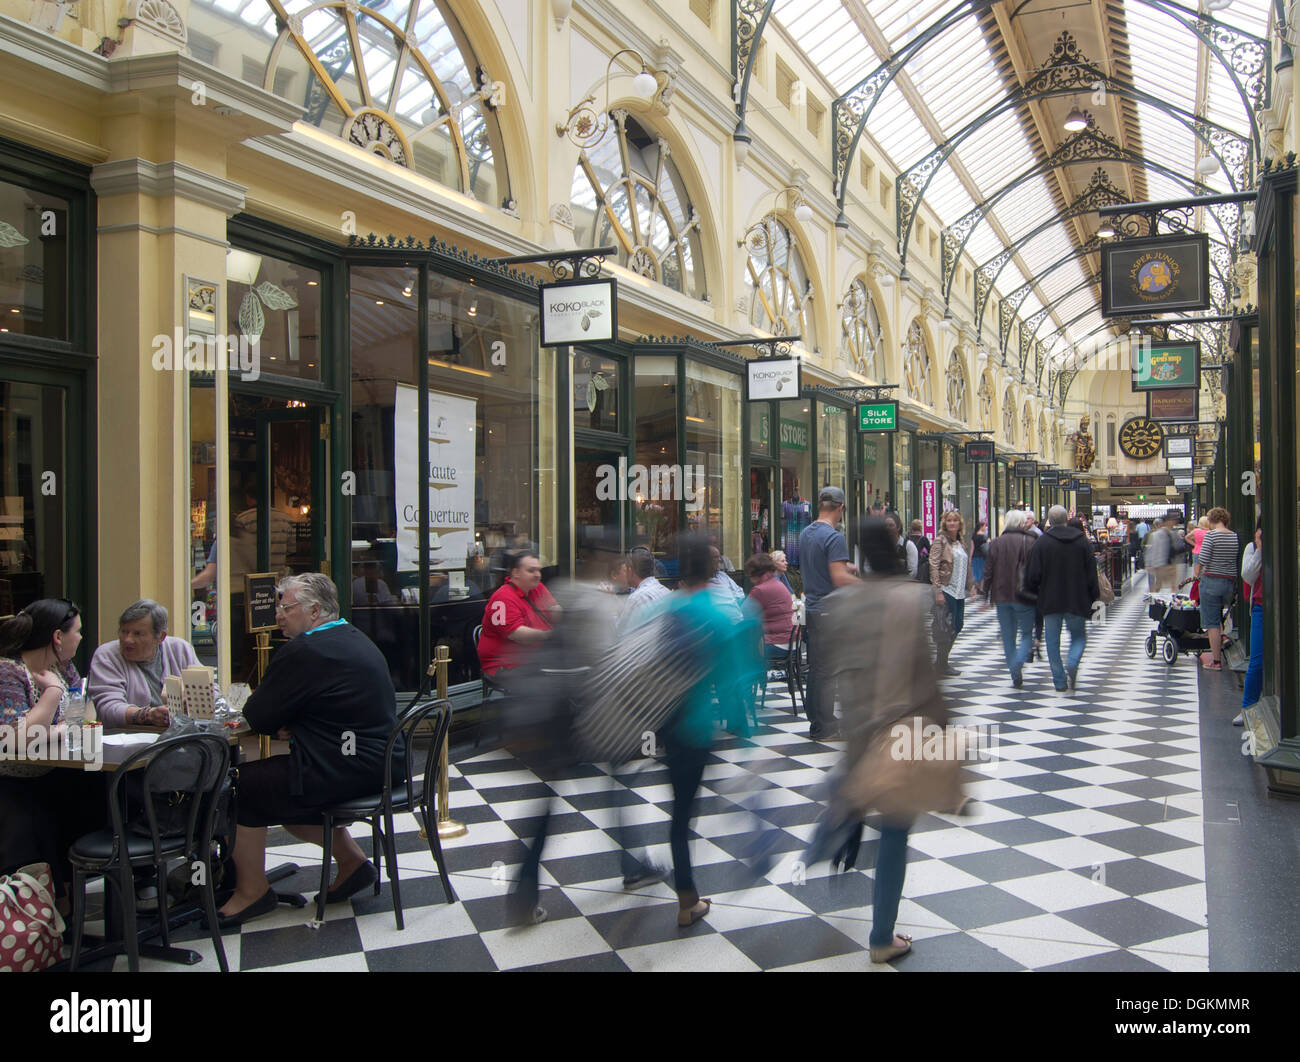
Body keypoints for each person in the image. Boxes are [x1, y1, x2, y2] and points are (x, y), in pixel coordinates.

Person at [216, 573, 403, 926]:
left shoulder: (305, 650)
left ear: (314, 610)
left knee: (240, 786)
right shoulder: (352, 637)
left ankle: (252, 891)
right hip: (380, 762)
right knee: (281, 788)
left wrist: (284, 720)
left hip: (344, 767)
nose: (278, 615)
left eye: (285, 607)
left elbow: (258, 715)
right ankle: (352, 864)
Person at [818, 516, 955, 964]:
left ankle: (843, 822)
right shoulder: (910, 598)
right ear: (896, 544)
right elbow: (925, 670)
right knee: (896, 830)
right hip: (902, 731)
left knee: (855, 794)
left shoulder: (842, 603)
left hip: (858, 728)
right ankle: (881, 936)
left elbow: (831, 669)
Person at [660, 534, 760, 926]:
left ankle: (687, 895)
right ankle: (687, 901)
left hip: (666, 719)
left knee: (678, 812)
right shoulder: (715, 614)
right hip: (696, 724)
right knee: (687, 809)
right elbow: (734, 679)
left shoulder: (665, 608)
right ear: (713, 568)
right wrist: (748, 735)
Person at [0, 599, 108, 903]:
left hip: (53, 772)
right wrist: (52, 694)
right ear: (57, 637)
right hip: (12, 781)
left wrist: (53, 729)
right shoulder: (9, 672)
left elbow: (80, 720)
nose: (82, 638)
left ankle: (68, 901)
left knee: (99, 795)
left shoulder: (63, 667)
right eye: (78, 631)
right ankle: (38, 910)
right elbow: (13, 740)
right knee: (36, 817)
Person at [87, 599, 220, 730]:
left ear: (160, 637)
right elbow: (107, 709)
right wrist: (147, 715)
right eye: (124, 631)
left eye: (138, 634)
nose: (128, 639)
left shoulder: (180, 649)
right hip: (129, 742)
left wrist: (192, 701)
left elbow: (212, 691)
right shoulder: (107, 655)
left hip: (180, 736)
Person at [797, 486, 858, 741]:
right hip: (829, 611)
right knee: (828, 671)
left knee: (817, 669)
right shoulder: (834, 537)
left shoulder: (805, 534)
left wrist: (845, 566)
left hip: (811, 609)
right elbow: (838, 577)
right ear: (841, 507)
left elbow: (822, 565)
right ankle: (824, 726)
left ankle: (818, 722)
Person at [1023, 505, 1099, 692]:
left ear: (1049, 520)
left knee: (1052, 642)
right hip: (1077, 599)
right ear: (1066, 519)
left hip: (1051, 601)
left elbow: (1032, 575)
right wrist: (1094, 596)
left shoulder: (1042, 543)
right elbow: (1092, 573)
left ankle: (1059, 681)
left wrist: (1034, 594)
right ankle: (1072, 662)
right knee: (1079, 636)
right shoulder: (1082, 541)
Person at [476, 550, 562, 679]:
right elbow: (517, 634)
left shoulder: (536, 587)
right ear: (515, 573)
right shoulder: (502, 598)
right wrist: (548, 635)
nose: (537, 575)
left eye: (539, 570)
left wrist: (570, 614)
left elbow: (554, 610)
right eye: (531, 571)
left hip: (534, 657)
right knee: (557, 680)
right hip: (506, 664)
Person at [979, 509, 1036, 688]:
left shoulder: (995, 543)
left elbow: (988, 571)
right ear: (1021, 523)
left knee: (1007, 636)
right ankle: (1018, 663)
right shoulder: (1031, 541)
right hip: (1024, 596)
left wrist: (985, 594)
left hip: (1001, 595)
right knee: (1027, 633)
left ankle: (1014, 671)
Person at [929, 510, 975, 677]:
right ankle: (942, 663)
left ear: (959, 523)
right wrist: (938, 590)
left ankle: (941, 661)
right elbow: (933, 565)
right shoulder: (940, 541)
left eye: (955, 520)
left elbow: (966, 565)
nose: (952, 523)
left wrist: (971, 585)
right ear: (945, 523)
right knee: (946, 627)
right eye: (949, 520)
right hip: (947, 589)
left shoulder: (960, 542)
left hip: (959, 591)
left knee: (957, 625)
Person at [1194, 507, 1239, 672]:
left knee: (1212, 623)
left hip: (1212, 581)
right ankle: (1225, 637)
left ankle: (1216, 661)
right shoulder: (1233, 536)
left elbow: (1203, 558)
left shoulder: (1211, 536)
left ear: (1211, 520)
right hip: (1229, 583)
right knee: (1221, 615)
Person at [744, 553, 794, 663]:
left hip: (778, 645)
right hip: (792, 643)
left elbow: (744, 614)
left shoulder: (760, 590)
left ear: (754, 573)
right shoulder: (777, 583)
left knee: (739, 650)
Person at [1238, 518, 1264, 724]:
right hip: (1261, 606)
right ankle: (1248, 708)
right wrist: (1260, 550)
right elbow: (1248, 576)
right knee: (1257, 660)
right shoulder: (1252, 547)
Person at [617, 547, 670, 634]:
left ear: (630, 571)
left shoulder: (636, 598)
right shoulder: (666, 591)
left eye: (626, 570)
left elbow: (620, 633)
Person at [707, 545, 745, 617]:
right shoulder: (700, 581)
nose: (719, 560)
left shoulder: (722, 575)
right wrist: (731, 594)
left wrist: (728, 597)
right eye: (715, 557)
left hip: (736, 619)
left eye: (719, 556)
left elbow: (741, 593)